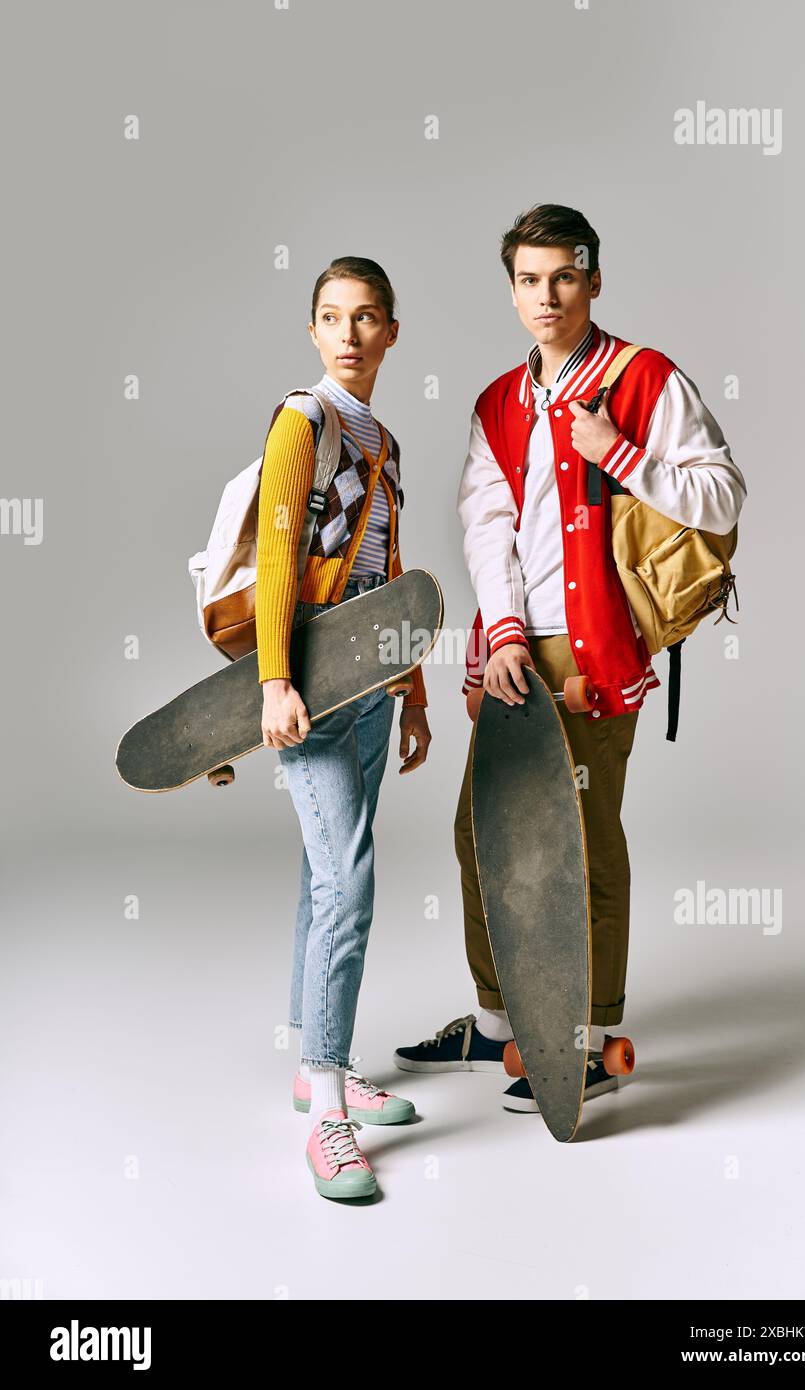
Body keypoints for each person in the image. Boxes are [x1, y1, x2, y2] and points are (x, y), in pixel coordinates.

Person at [394, 203, 746, 1113]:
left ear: (593, 279)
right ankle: (506, 1023)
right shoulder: (499, 404)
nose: (546, 295)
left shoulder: (646, 379)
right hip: (518, 648)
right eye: (528, 280)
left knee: (584, 848)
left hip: (599, 646)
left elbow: (721, 492)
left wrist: (620, 451)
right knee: (483, 833)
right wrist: (502, 629)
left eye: (563, 276)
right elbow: (486, 525)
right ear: (512, 292)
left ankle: (589, 1037)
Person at [256, 256, 432, 1199]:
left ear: (391, 333)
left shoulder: (384, 440)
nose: (351, 333)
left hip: (372, 680)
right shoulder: (305, 419)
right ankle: (327, 1110)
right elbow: (279, 548)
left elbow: (391, 573)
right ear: (314, 331)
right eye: (333, 317)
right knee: (347, 884)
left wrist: (415, 692)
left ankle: (310, 1064)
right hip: (314, 679)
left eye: (368, 318)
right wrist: (277, 678)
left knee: (321, 875)